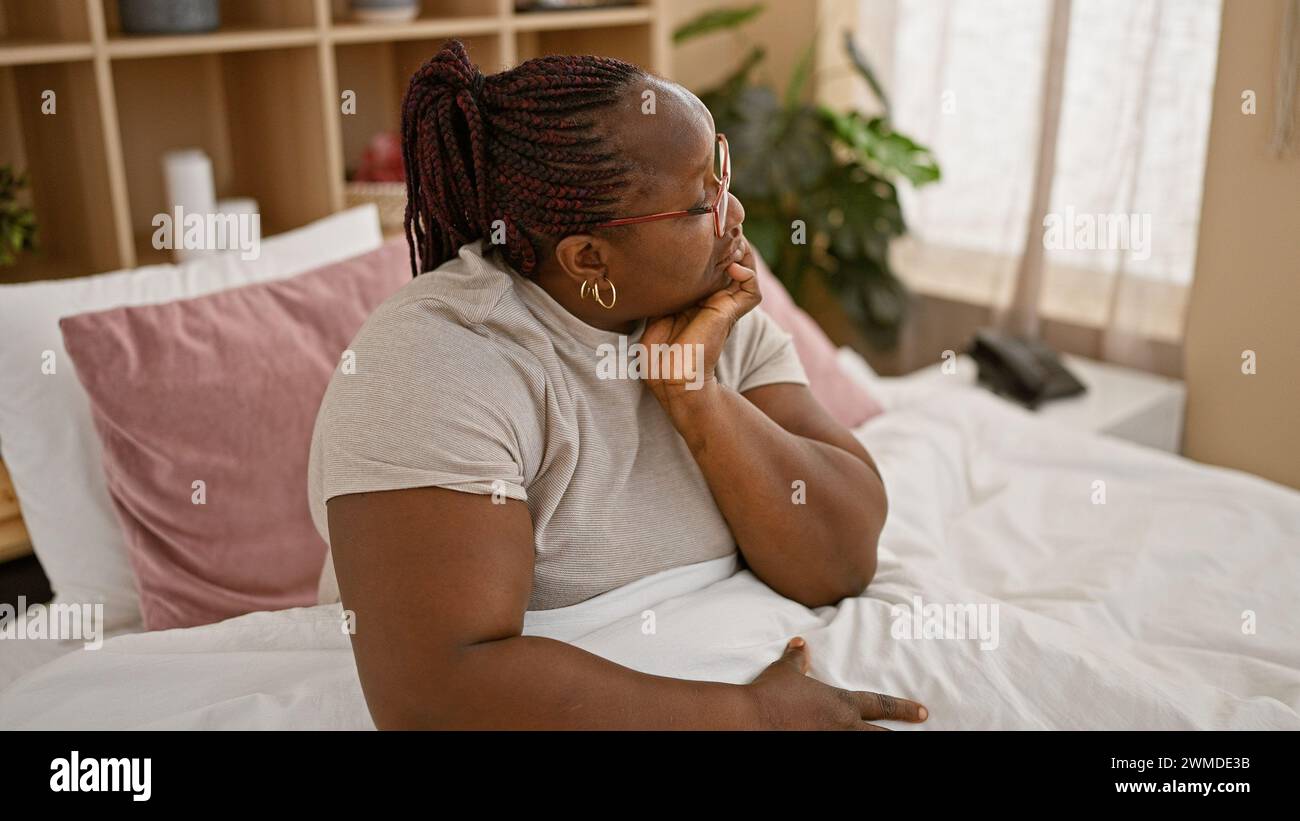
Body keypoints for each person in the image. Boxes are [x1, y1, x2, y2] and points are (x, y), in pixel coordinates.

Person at [306, 39, 929, 730]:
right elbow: (436, 690)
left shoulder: (714, 307)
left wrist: (697, 397)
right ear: (589, 257)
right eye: (700, 203)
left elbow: (843, 557)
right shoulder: (440, 360)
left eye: (719, 172)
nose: (736, 213)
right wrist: (751, 716)